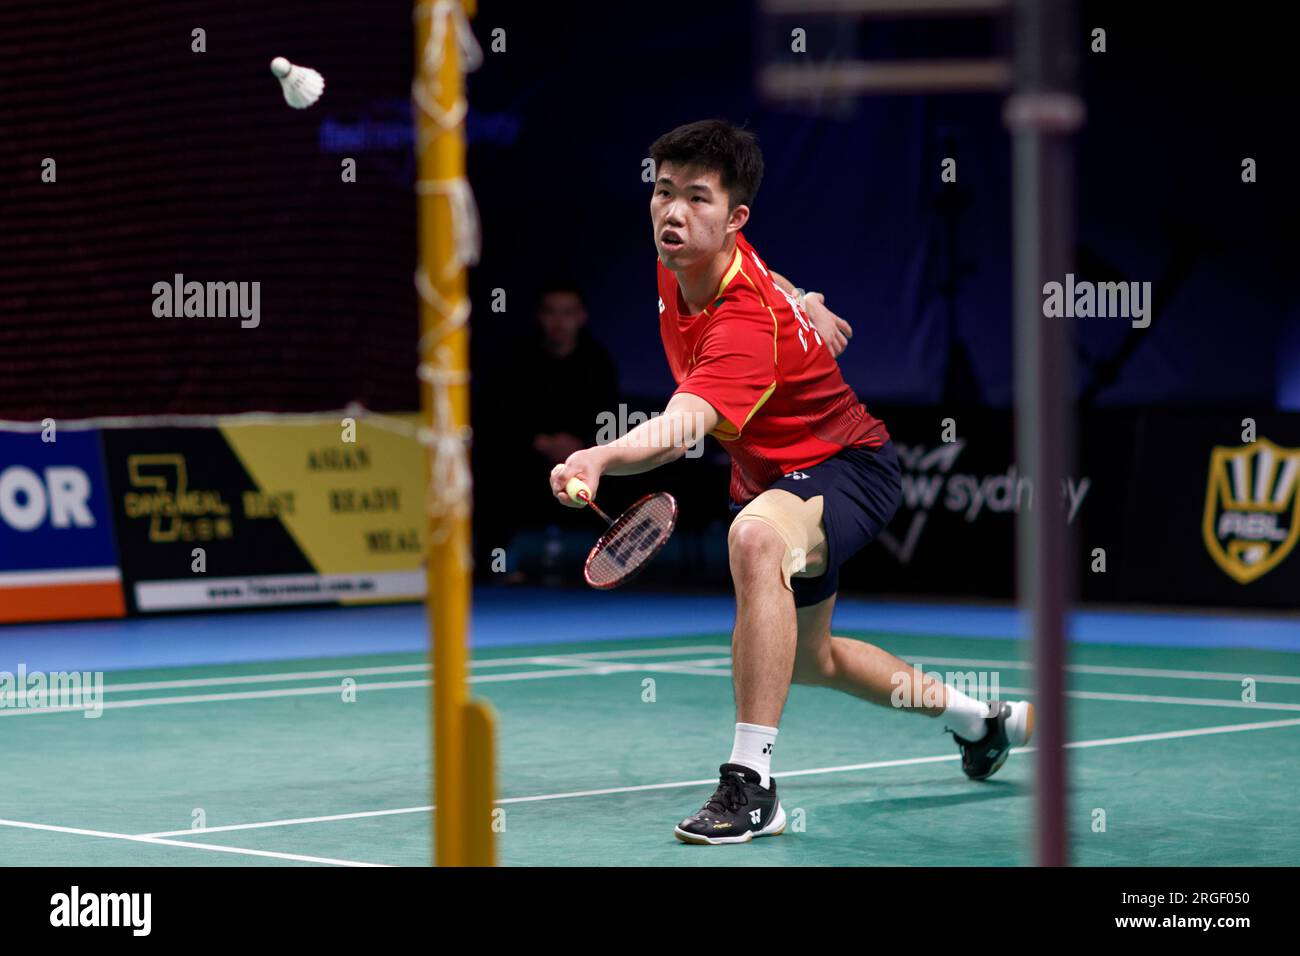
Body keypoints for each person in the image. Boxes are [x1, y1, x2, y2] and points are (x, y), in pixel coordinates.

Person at [548, 119, 1033, 845]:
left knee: (754, 539)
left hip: (848, 467)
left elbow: (685, 429)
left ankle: (751, 786)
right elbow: (758, 267)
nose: (674, 212)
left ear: (734, 215)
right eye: (663, 192)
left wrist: (601, 458)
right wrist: (801, 295)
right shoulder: (686, 257)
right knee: (813, 659)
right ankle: (981, 722)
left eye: (697, 199)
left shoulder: (742, 323)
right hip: (776, 475)